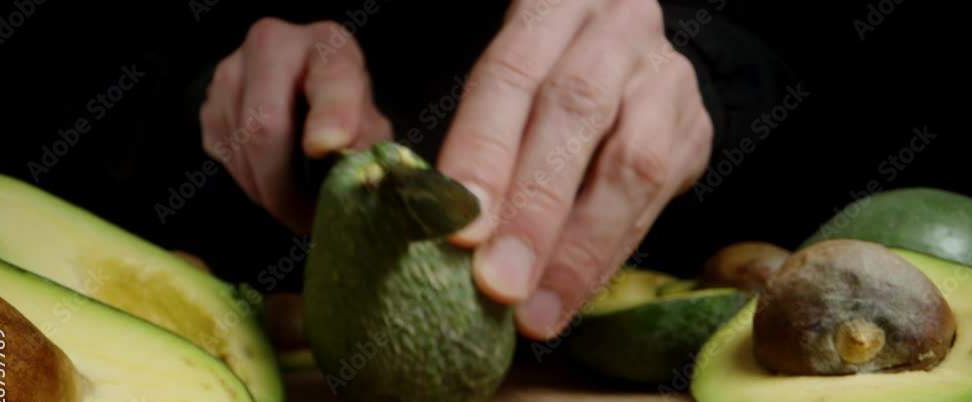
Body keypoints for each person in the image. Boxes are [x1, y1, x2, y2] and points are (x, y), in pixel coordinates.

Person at [197, 0, 733, 341]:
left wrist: (689, 76)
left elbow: (784, 51)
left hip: (630, 298)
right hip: (272, 286)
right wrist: (218, 85)